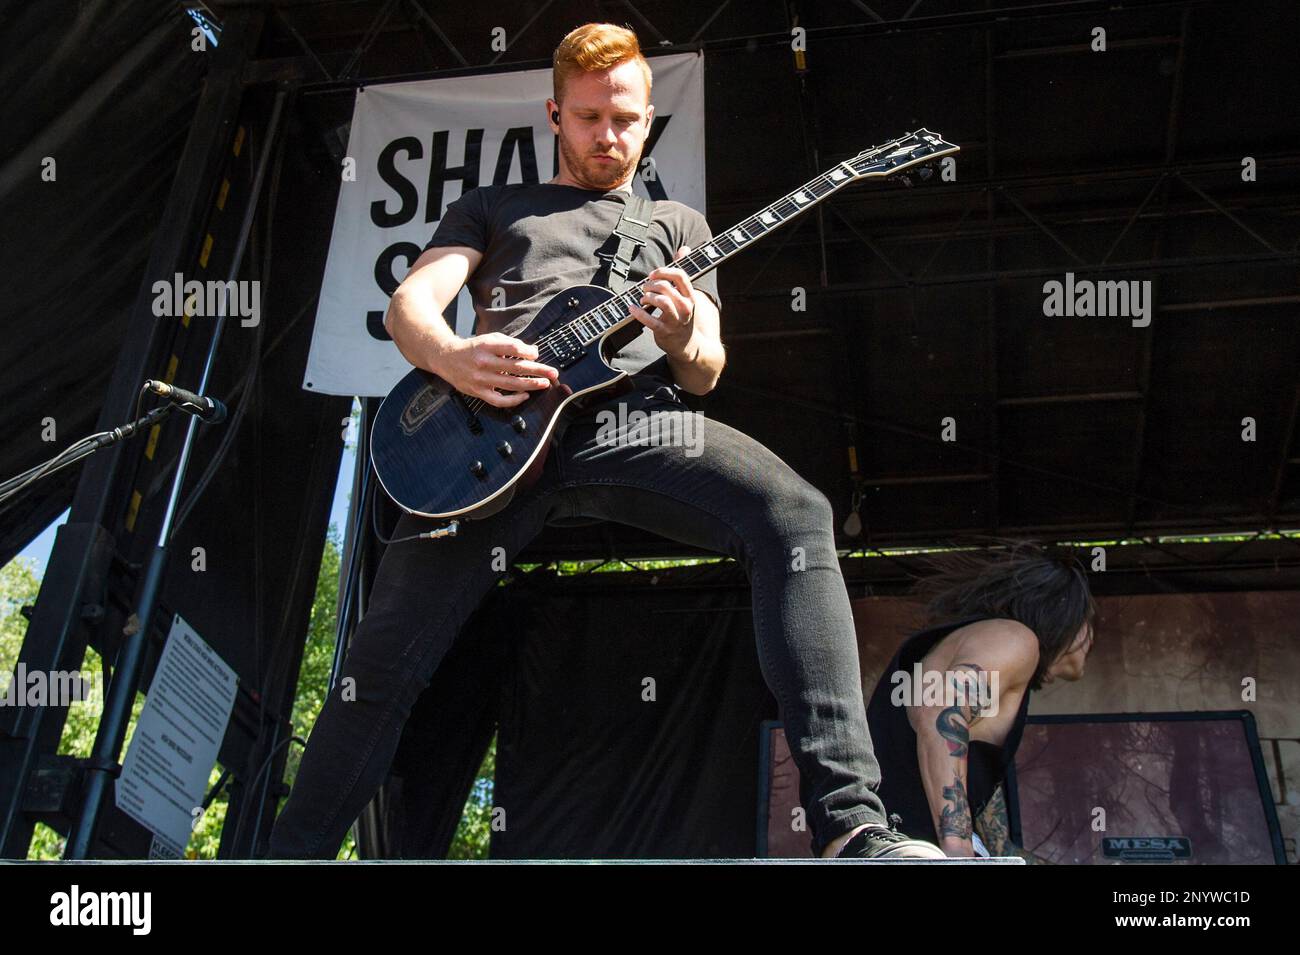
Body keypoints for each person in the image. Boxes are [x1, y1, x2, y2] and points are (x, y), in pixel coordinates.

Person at [268, 21, 942, 861]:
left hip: (631, 423)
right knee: (377, 671)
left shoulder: (677, 225)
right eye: (589, 118)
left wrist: (683, 333)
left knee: (797, 515)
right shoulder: (495, 206)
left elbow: (706, 371)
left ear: (651, 117)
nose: (608, 136)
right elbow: (410, 305)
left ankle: (852, 829)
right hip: (490, 443)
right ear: (555, 113)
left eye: (626, 119)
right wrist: (451, 354)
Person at [863, 541, 1097, 861]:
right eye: (1088, 621)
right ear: (1067, 616)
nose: (1091, 637)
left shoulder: (987, 645)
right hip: (911, 850)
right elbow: (940, 714)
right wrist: (959, 849)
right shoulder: (1016, 639)